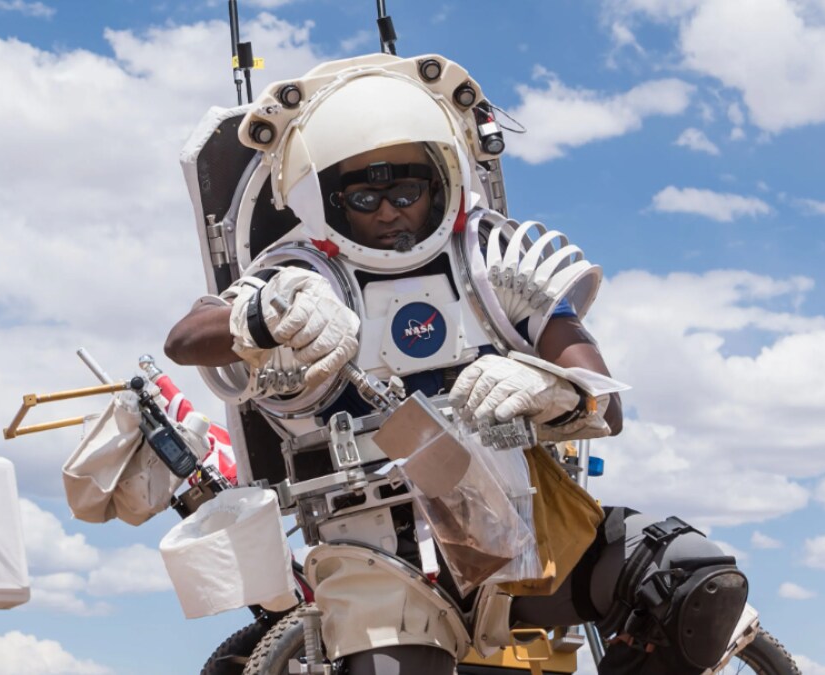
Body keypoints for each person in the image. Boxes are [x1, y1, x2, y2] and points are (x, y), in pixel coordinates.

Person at [166, 54, 748, 675]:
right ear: (330, 200)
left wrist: (550, 388)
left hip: (525, 541)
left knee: (693, 577)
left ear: (439, 180)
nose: (388, 212)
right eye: (365, 197)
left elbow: (605, 402)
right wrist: (267, 315)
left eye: (405, 191)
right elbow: (187, 338)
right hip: (375, 559)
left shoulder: (493, 260)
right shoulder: (300, 275)